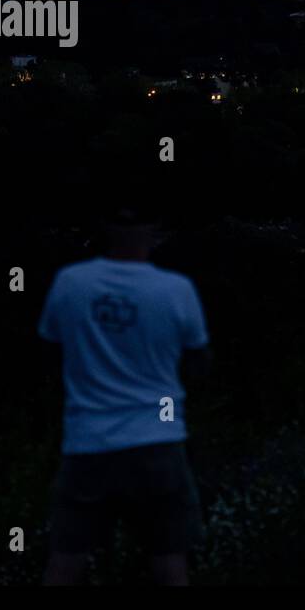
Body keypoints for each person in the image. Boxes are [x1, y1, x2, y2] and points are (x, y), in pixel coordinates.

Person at [38, 205, 212, 585]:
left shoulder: (72, 283)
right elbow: (199, 362)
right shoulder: (175, 290)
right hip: (156, 441)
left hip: (88, 442)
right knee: (169, 561)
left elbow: (49, 351)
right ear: (155, 232)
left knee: (65, 561)